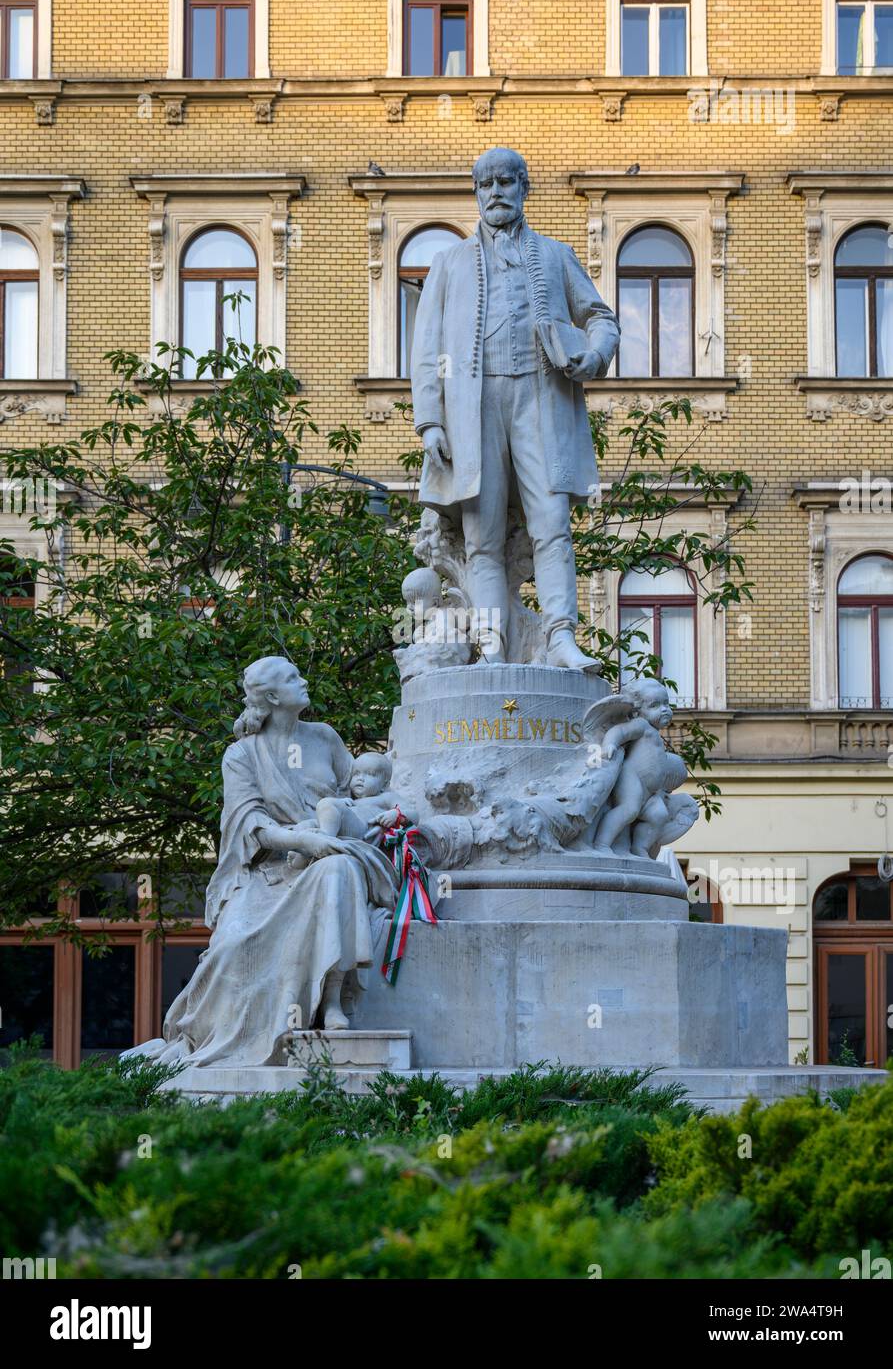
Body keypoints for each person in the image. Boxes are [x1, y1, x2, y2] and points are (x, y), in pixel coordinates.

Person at [124, 657, 397, 1065]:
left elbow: (351, 798)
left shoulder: (324, 738)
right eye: (292, 677)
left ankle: (333, 999)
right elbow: (249, 825)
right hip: (269, 871)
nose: (304, 679)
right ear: (272, 696)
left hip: (331, 853)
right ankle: (219, 1034)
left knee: (337, 869)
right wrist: (302, 838)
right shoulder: (241, 755)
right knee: (232, 945)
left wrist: (372, 819)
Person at [410, 146, 620, 670]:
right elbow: (427, 349)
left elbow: (601, 317)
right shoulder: (449, 262)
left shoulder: (555, 254)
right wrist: (430, 420)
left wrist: (593, 356)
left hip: (541, 400)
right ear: (476, 193)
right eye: (486, 185)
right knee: (481, 538)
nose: (496, 192)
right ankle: (491, 648)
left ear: (524, 188)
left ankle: (560, 638)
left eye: (507, 182)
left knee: (552, 524)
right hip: (472, 409)